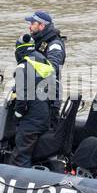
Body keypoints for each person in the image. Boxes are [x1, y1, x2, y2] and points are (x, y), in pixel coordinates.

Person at [9, 37, 56, 167]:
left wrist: (17, 115)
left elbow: (21, 98)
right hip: (45, 117)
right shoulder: (45, 62)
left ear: (19, 50)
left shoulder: (22, 67)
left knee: (21, 156)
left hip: (30, 121)